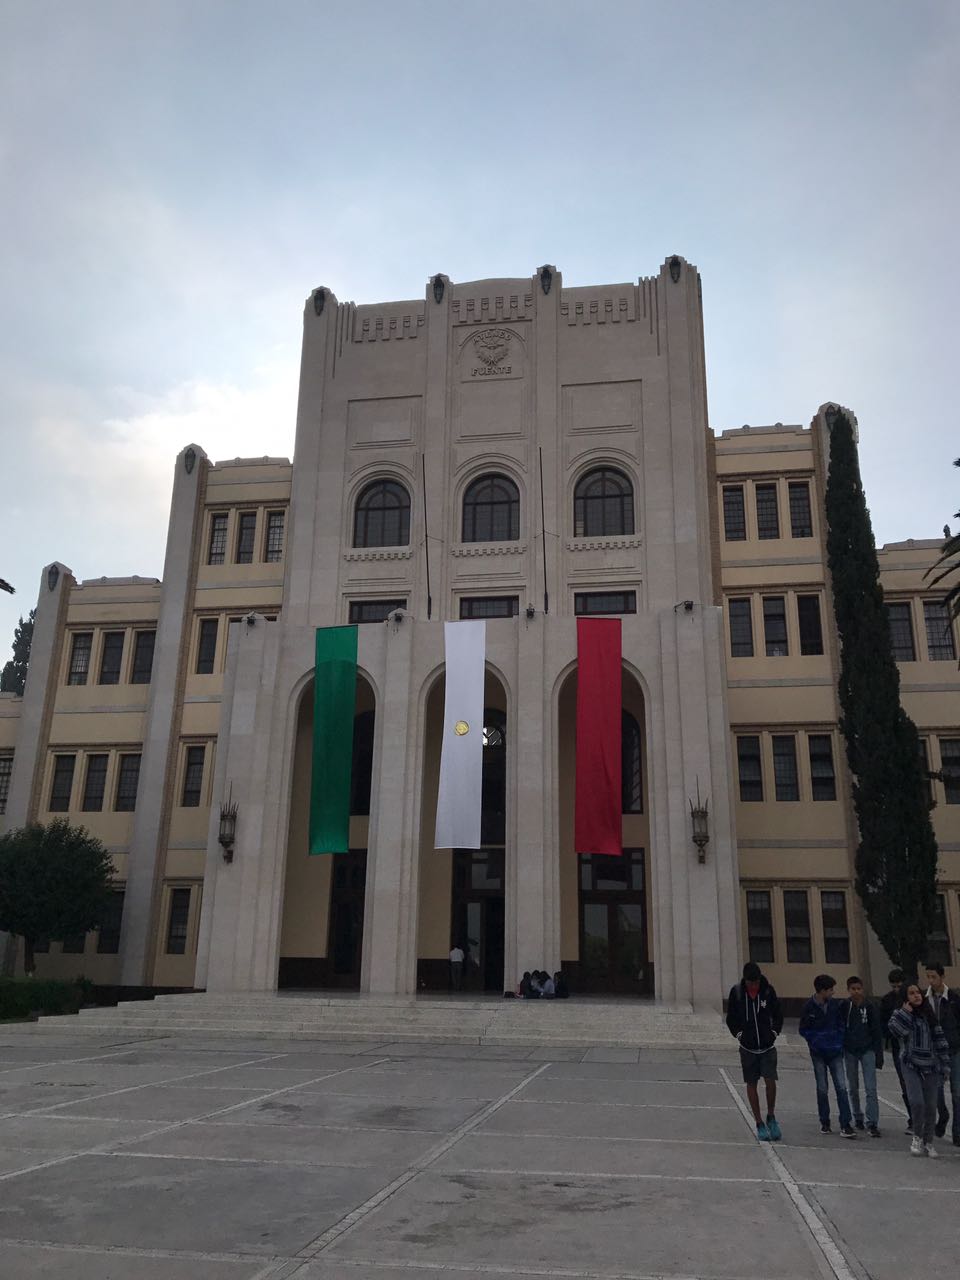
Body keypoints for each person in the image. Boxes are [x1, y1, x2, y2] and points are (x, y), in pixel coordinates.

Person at [887, 981, 951, 1157]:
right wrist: (905, 1013)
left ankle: (928, 1141)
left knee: (931, 1106)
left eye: (918, 993)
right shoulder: (901, 1015)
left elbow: (940, 1040)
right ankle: (917, 1137)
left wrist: (945, 1065)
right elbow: (896, 1031)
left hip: (931, 1065)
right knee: (917, 1102)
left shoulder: (928, 1016)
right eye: (911, 993)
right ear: (905, 999)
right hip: (910, 1064)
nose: (916, 996)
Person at [725, 961, 783, 1141]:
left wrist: (773, 1032)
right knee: (751, 1083)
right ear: (745, 980)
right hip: (748, 1047)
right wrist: (739, 1034)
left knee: (770, 1080)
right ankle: (758, 1122)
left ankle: (771, 1116)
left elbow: (778, 1014)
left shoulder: (768, 991)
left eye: (756, 982)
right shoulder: (737, 993)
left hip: (767, 1046)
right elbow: (731, 1019)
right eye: (751, 983)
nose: (754, 986)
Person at [799, 974, 856, 1137]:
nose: (833, 993)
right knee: (822, 1088)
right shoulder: (809, 1007)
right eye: (830, 990)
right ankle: (824, 1122)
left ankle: (846, 1123)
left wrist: (838, 1039)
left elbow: (841, 1024)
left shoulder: (835, 1006)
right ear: (822, 991)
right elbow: (803, 1029)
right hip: (818, 1053)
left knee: (841, 1087)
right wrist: (815, 1040)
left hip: (835, 1051)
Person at [843, 976, 883, 1136]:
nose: (856, 992)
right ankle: (857, 1116)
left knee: (871, 1087)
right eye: (853, 989)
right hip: (850, 1050)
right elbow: (841, 1028)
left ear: (863, 989)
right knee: (852, 1086)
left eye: (859, 988)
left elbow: (876, 1030)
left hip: (868, 1049)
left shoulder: (870, 1006)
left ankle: (872, 1122)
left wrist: (878, 1054)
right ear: (848, 990)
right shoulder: (845, 1006)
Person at [925, 962, 960, 1147]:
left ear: (942, 977)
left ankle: (957, 1132)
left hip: (953, 1050)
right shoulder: (925, 999)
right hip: (934, 1051)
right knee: (936, 1092)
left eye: (934, 977)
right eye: (928, 977)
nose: (931, 981)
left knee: (957, 1093)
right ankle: (943, 1114)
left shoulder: (953, 999)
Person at [879, 967, 912, 1132]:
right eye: (894, 987)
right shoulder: (887, 1000)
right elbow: (884, 1022)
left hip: (914, 1046)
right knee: (904, 1083)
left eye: (899, 986)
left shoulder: (913, 997)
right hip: (898, 1047)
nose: (897, 990)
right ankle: (913, 1118)